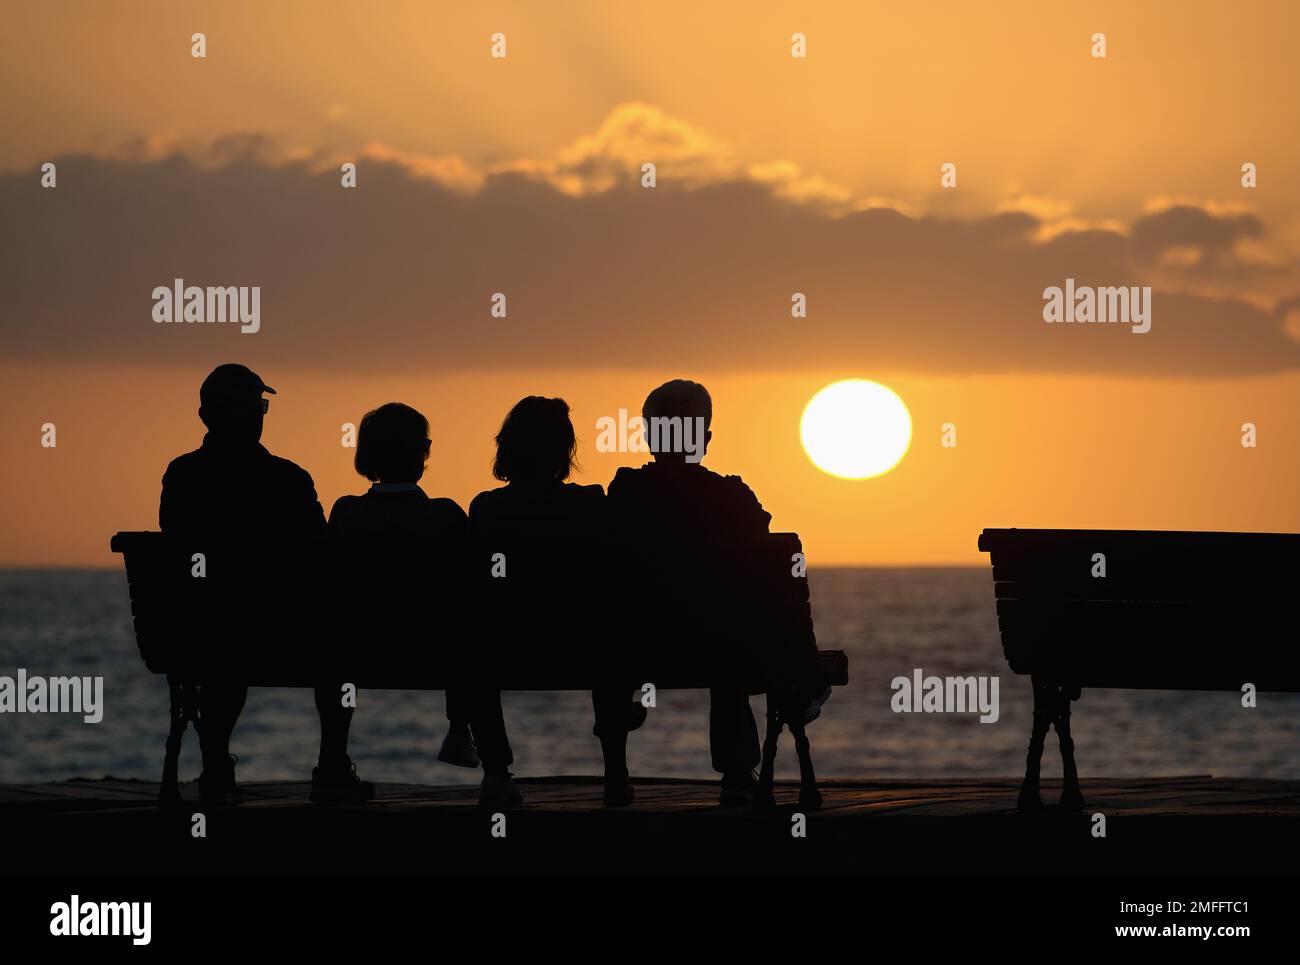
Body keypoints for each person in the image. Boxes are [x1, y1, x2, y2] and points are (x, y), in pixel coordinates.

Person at [159, 363, 373, 805]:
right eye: (259, 405)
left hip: (198, 636)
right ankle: (332, 766)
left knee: (226, 641)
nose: (260, 414)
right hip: (286, 637)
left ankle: (215, 766)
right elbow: (322, 560)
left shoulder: (181, 477)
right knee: (339, 646)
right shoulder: (289, 480)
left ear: (204, 417)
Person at [469, 396, 641, 807]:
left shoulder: (487, 509)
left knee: (473, 643)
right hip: (583, 647)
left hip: (503, 648)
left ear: (506, 448)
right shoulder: (589, 504)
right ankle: (615, 774)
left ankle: (495, 773)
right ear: (565, 450)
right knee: (611, 627)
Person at [606, 379, 770, 806]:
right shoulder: (731, 496)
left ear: (647, 435)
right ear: (705, 439)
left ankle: (616, 774)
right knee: (728, 642)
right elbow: (765, 550)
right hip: (715, 644)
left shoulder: (625, 492)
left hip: (635, 645)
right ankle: (736, 776)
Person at [328, 402, 478, 770]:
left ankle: (331, 761)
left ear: (366, 455)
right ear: (423, 453)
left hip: (355, 648)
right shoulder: (446, 517)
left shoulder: (346, 515)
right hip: (437, 651)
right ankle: (459, 731)